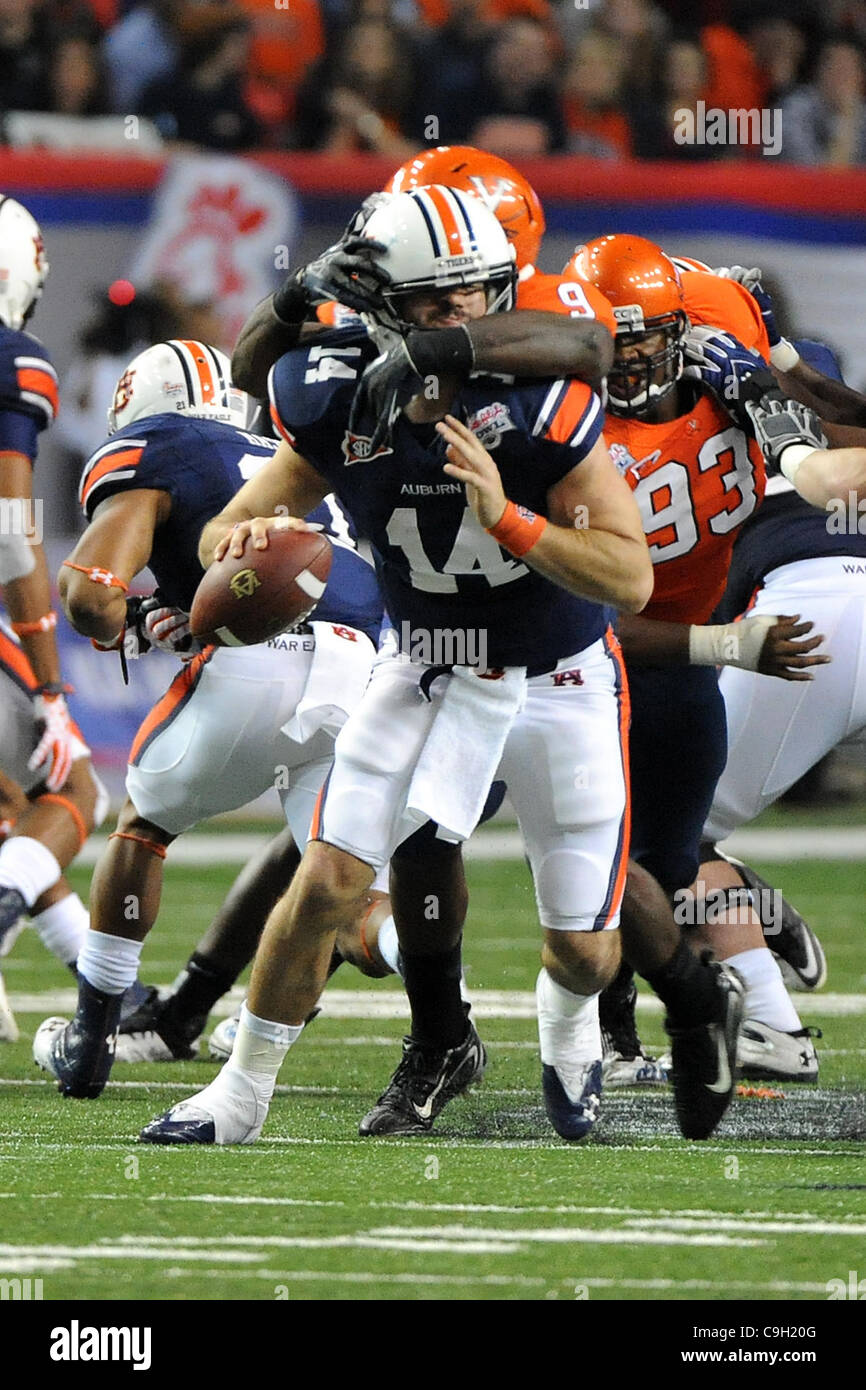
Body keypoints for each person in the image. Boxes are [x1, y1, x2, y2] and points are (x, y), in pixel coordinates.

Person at [138, 188, 743, 1149]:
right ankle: (239, 1094)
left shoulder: (540, 394)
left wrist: (510, 518)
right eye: (438, 300)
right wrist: (237, 539)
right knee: (329, 879)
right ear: (384, 302)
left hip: (559, 673)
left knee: (584, 952)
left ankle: (629, 1009)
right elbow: (233, 517)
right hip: (421, 663)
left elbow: (629, 576)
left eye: (477, 293)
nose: (465, 315)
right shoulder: (335, 392)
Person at [32, 338, 391, 1092]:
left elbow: (91, 592)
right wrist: (175, 615)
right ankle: (435, 991)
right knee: (348, 894)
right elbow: (284, 577)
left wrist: (117, 620)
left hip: (260, 667)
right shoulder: (286, 453)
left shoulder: (155, 442)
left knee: (146, 821)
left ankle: (92, 1039)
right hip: (363, 670)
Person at [0, 197, 108, 1035]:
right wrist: (49, 688)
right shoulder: (14, 358)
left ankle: (103, 985)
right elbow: (9, 539)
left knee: (8, 805)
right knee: (73, 786)